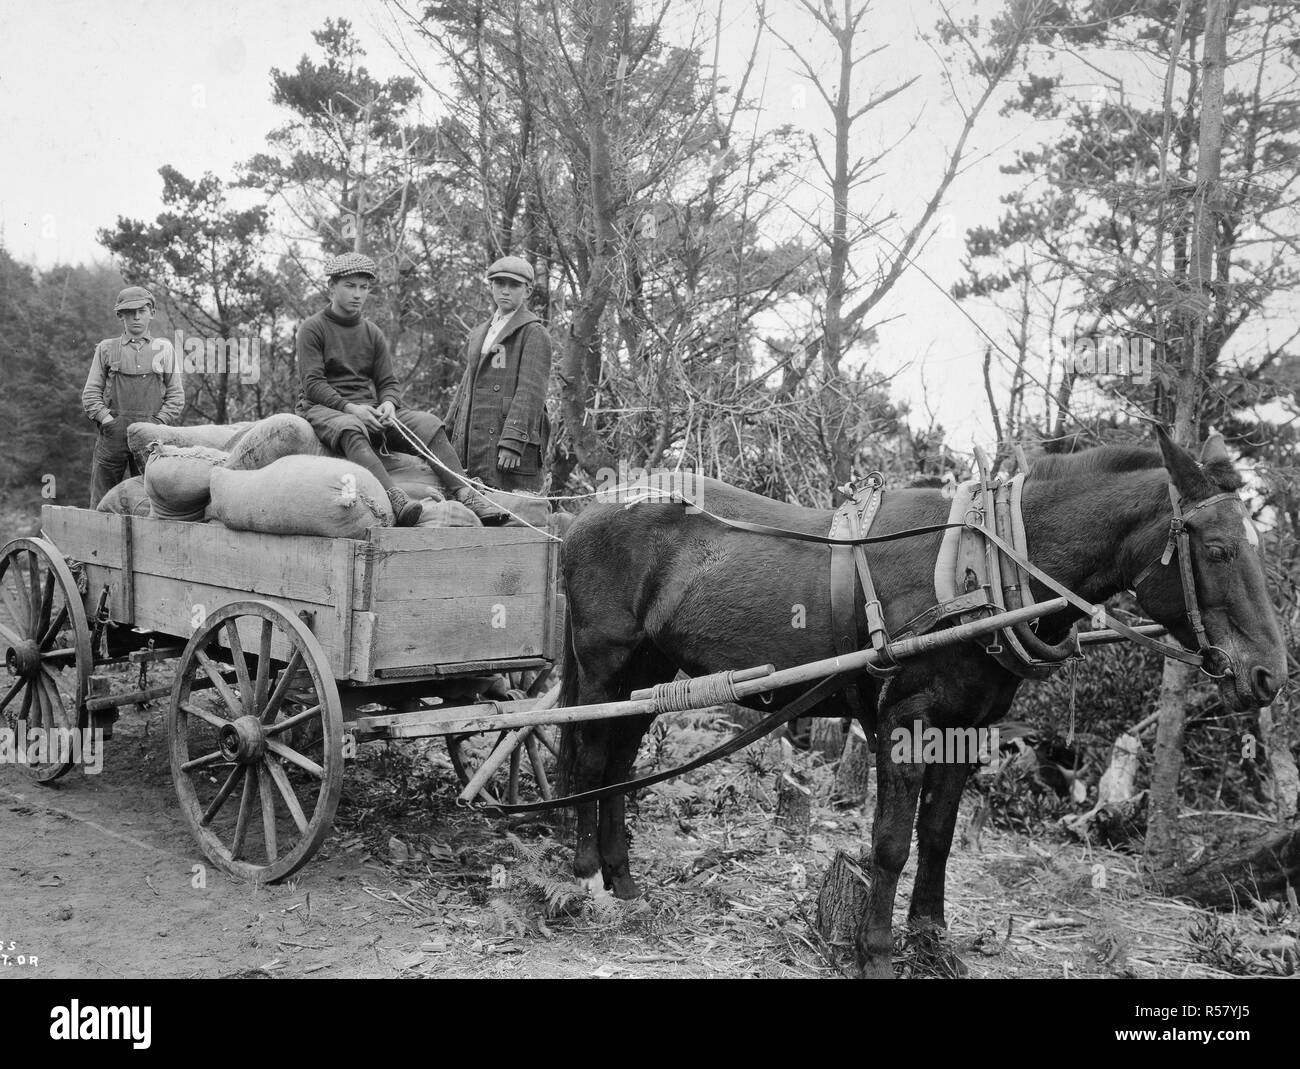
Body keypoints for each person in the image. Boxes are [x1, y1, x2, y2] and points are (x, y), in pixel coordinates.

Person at [294, 252, 506, 526]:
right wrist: (351, 409)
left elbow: (387, 383)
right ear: (331, 287)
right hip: (324, 408)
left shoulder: (372, 332)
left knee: (428, 422)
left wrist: (389, 404)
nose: (358, 294)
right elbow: (312, 384)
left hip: (366, 406)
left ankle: (466, 492)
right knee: (351, 427)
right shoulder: (313, 329)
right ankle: (395, 497)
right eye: (350, 286)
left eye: (364, 287)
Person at [446, 256, 552, 494]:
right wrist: (446, 435)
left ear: (527, 291)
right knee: (470, 509)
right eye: (499, 283)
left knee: (510, 514)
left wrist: (513, 442)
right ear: (491, 286)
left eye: (514, 285)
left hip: (506, 445)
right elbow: (465, 389)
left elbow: (531, 393)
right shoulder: (479, 333)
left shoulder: (534, 333)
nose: (505, 291)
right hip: (471, 442)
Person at [82, 286, 184, 507]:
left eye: (142, 310)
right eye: (130, 312)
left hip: (150, 438)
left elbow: (176, 396)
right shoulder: (106, 349)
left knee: (151, 501)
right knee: (102, 503)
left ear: (152, 313)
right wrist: (109, 421)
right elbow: (90, 394)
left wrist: (157, 423)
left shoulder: (164, 349)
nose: (137, 317)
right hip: (113, 437)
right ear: (120, 315)